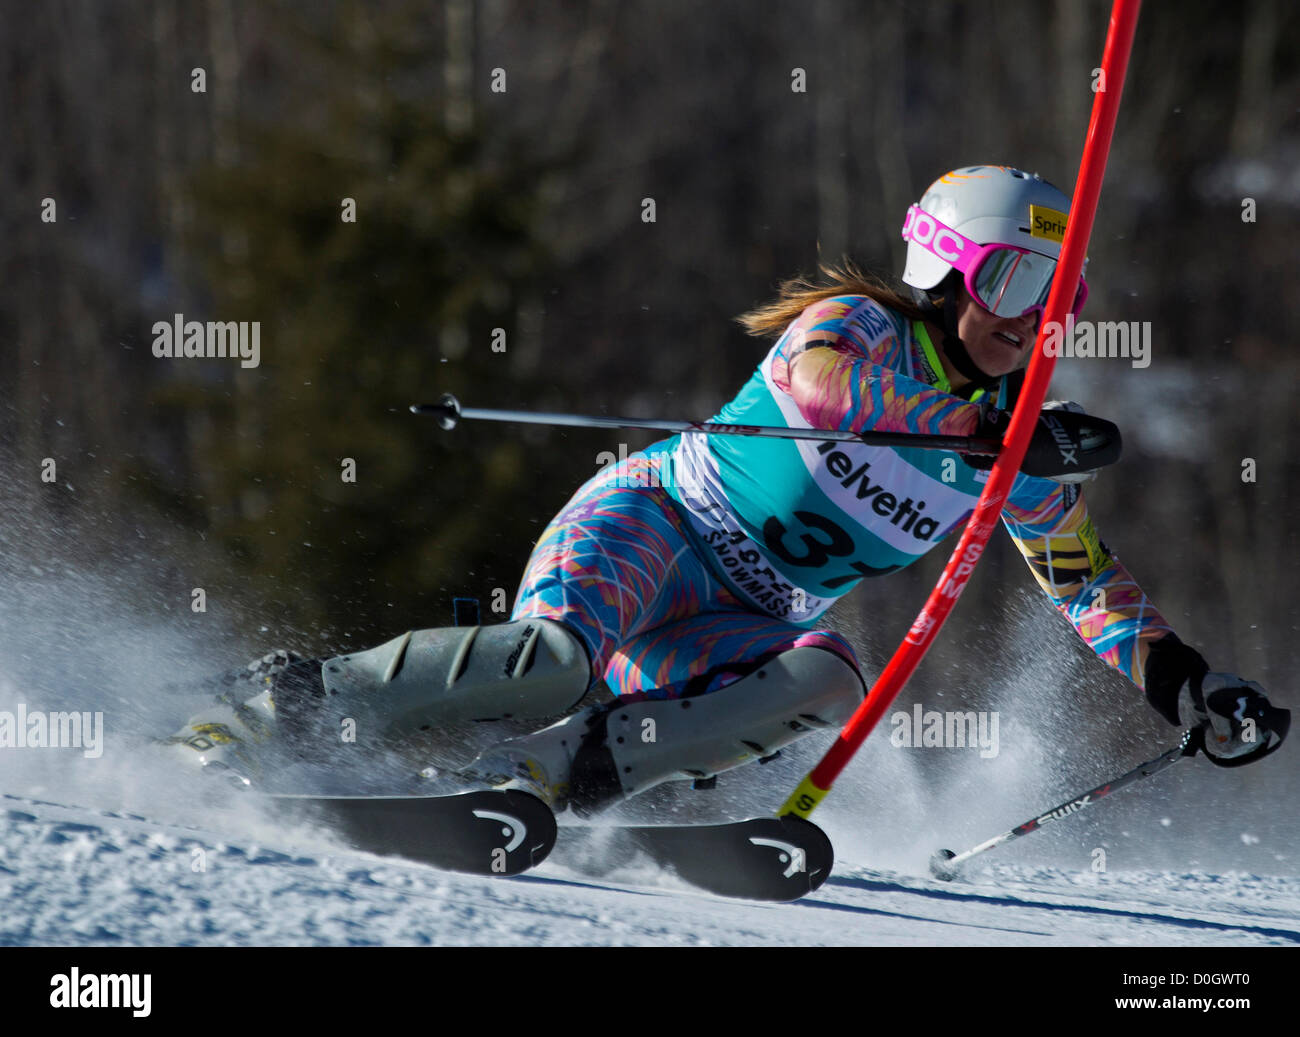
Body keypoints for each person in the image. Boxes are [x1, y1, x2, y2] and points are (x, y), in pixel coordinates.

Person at [168, 165, 1288, 809]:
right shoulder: (859, 328)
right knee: (549, 661)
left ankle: (541, 778)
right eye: (1015, 279)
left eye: (1060, 296)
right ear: (945, 271)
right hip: (653, 525)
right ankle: (281, 704)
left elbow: (1092, 591)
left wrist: (1190, 686)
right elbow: (814, 388)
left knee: (833, 669)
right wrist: (985, 435)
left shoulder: (1016, 454)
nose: (1033, 315)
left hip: (743, 619)